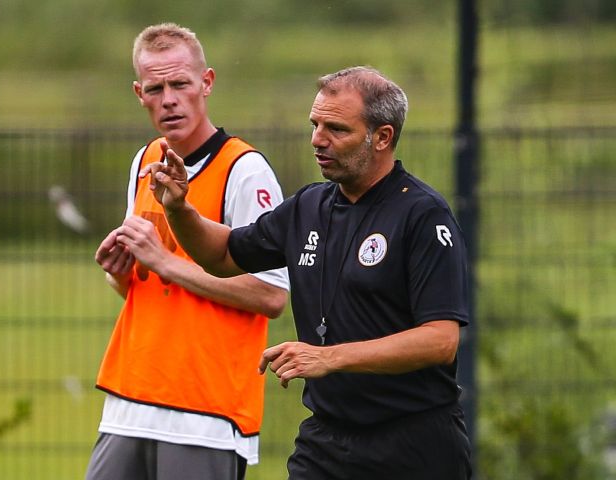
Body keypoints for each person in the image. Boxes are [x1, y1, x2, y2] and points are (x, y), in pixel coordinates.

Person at [132, 66, 472, 479]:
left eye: (336, 129)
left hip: (413, 443)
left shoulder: (421, 214)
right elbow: (220, 255)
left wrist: (329, 357)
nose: (317, 140)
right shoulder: (308, 206)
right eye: (315, 125)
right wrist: (179, 208)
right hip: (327, 442)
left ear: (382, 137)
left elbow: (441, 340)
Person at [87, 23, 290, 480]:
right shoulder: (145, 160)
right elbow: (152, 291)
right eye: (156, 88)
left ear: (207, 82)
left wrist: (164, 262)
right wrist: (121, 271)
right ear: (139, 93)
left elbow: (271, 295)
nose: (169, 99)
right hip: (128, 401)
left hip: (204, 414)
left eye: (180, 83)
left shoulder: (245, 170)